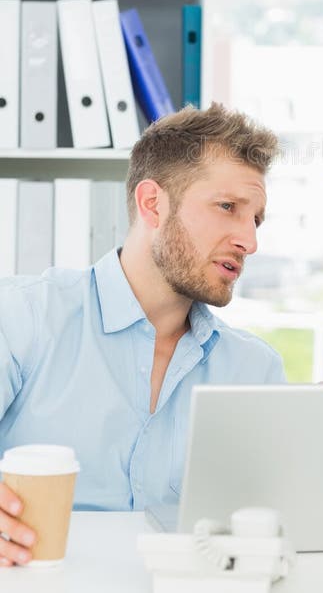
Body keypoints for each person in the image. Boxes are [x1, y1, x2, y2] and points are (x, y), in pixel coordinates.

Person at [0, 103, 285, 566]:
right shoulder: (23, 317)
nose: (249, 241)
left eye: (255, 219)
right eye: (228, 207)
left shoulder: (256, 370)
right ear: (152, 203)